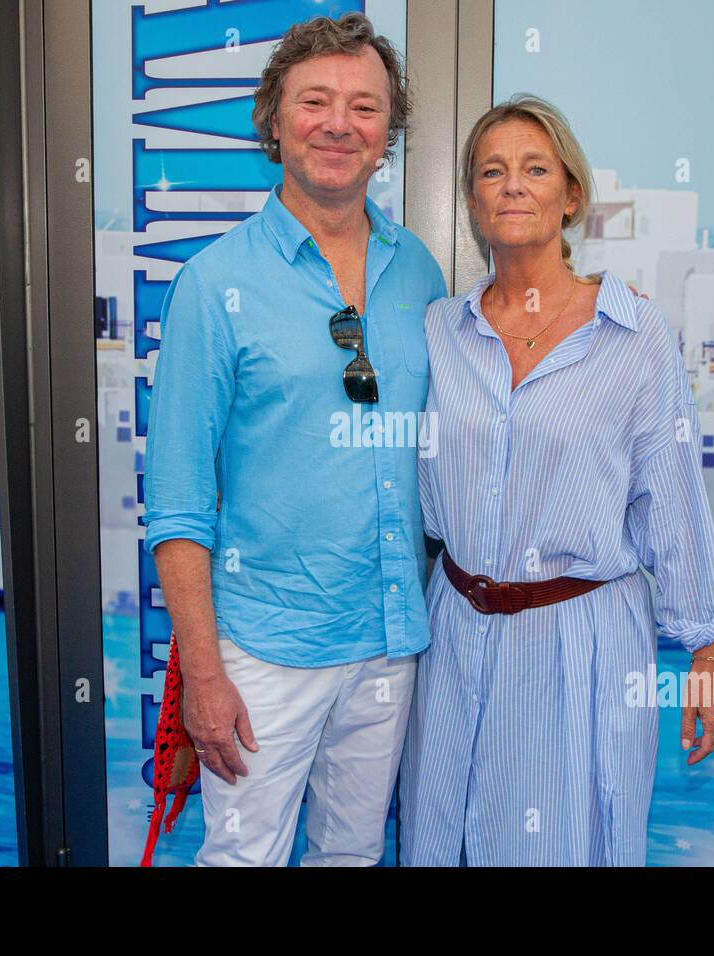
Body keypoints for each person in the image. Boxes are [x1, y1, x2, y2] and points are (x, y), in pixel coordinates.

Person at [399, 95, 714, 866]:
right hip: (453, 637)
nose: (513, 185)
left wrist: (707, 652)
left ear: (572, 195)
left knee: (564, 842)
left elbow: (674, 495)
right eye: (492, 172)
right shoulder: (439, 332)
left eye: (534, 168)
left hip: (580, 645)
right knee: (438, 839)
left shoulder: (632, 334)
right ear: (471, 202)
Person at [142, 13, 446, 866]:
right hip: (262, 650)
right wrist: (204, 673)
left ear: (389, 133)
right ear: (274, 119)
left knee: (350, 858)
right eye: (315, 101)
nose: (339, 123)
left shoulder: (418, 269)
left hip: (388, 639)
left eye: (365, 106)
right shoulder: (214, 283)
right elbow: (175, 502)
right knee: (242, 859)